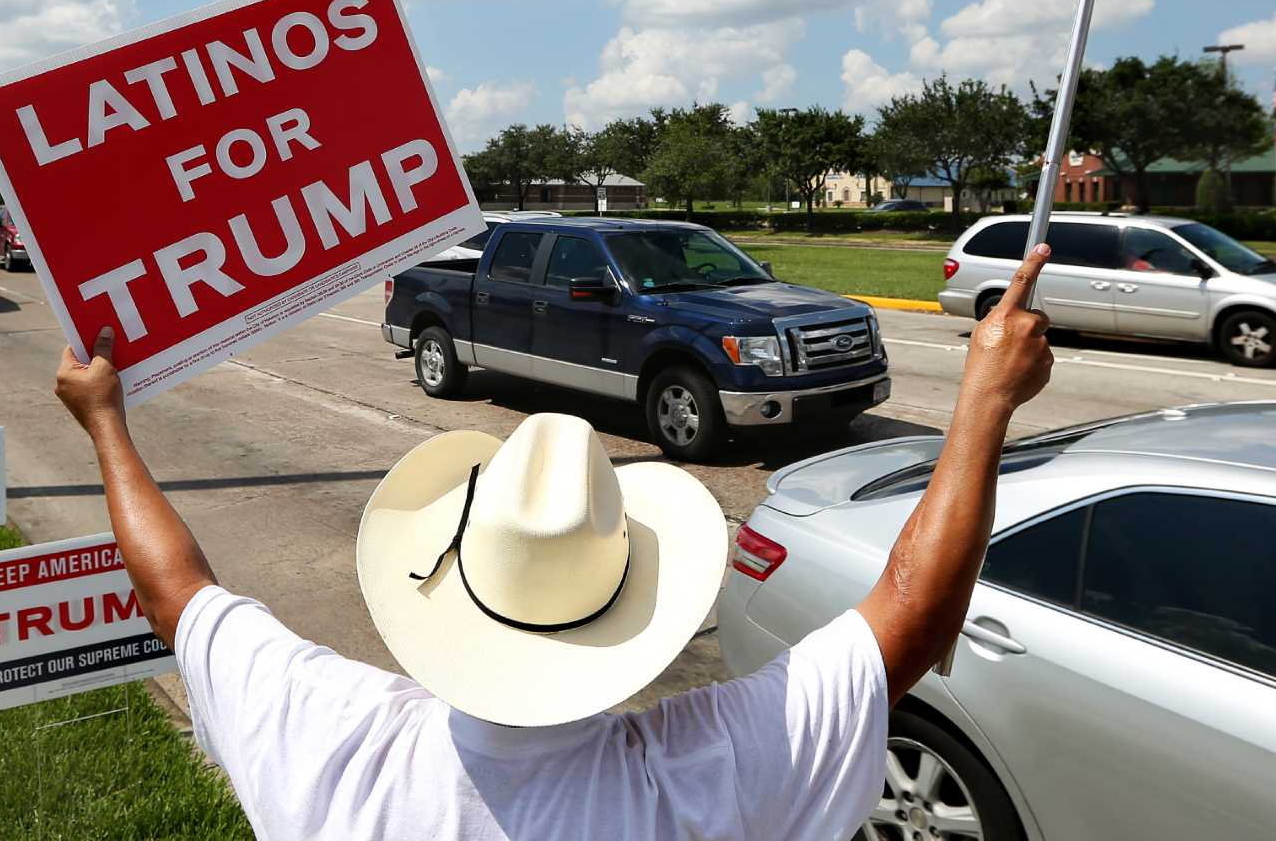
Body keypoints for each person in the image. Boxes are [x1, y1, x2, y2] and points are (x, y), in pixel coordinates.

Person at [54, 244, 1057, 840]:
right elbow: (912, 612)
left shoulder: (331, 736)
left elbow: (176, 593)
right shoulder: (698, 775)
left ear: (447, 577)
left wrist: (106, 421)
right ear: (626, 601)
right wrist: (981, 399)